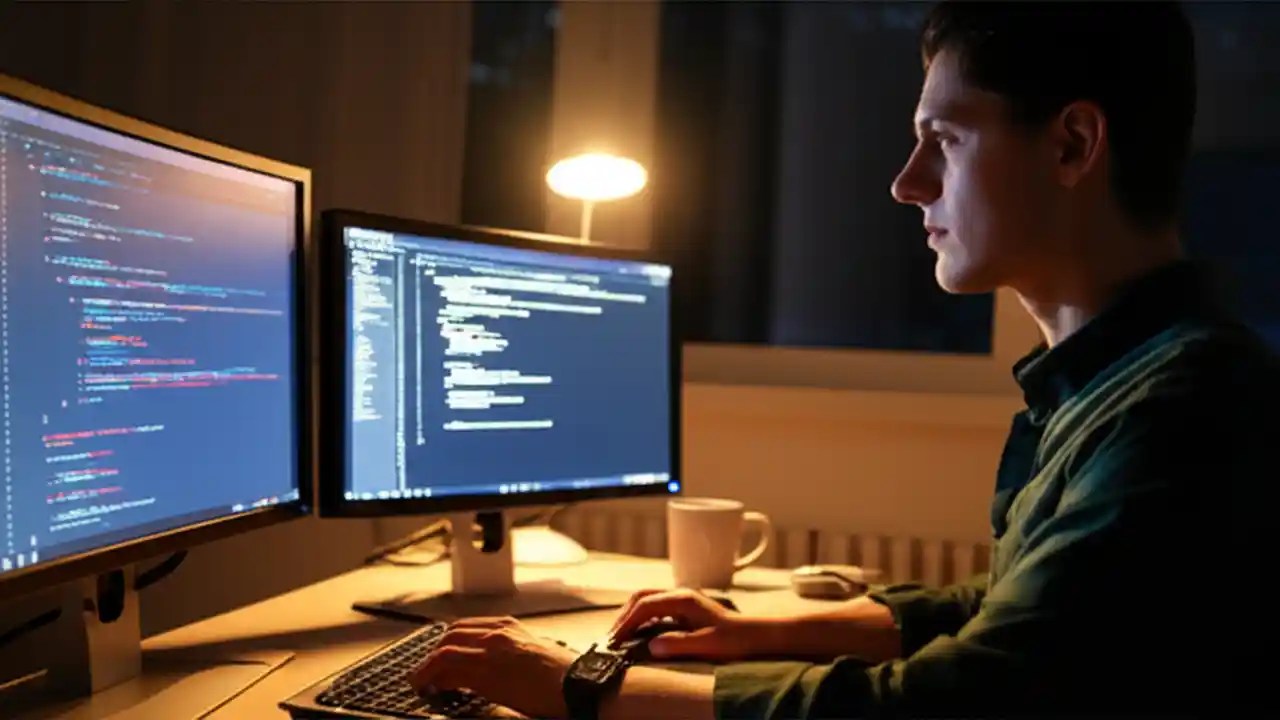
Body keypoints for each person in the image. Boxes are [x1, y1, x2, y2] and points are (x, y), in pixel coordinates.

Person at [410, 2, 1273, 717]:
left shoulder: (1184, 406)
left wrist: (583, 683)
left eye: (946, 138)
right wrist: (759, 628)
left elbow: (965, 699)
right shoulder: (1117, 380)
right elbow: (1019, 611)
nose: (908, 182)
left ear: (1073, 145)